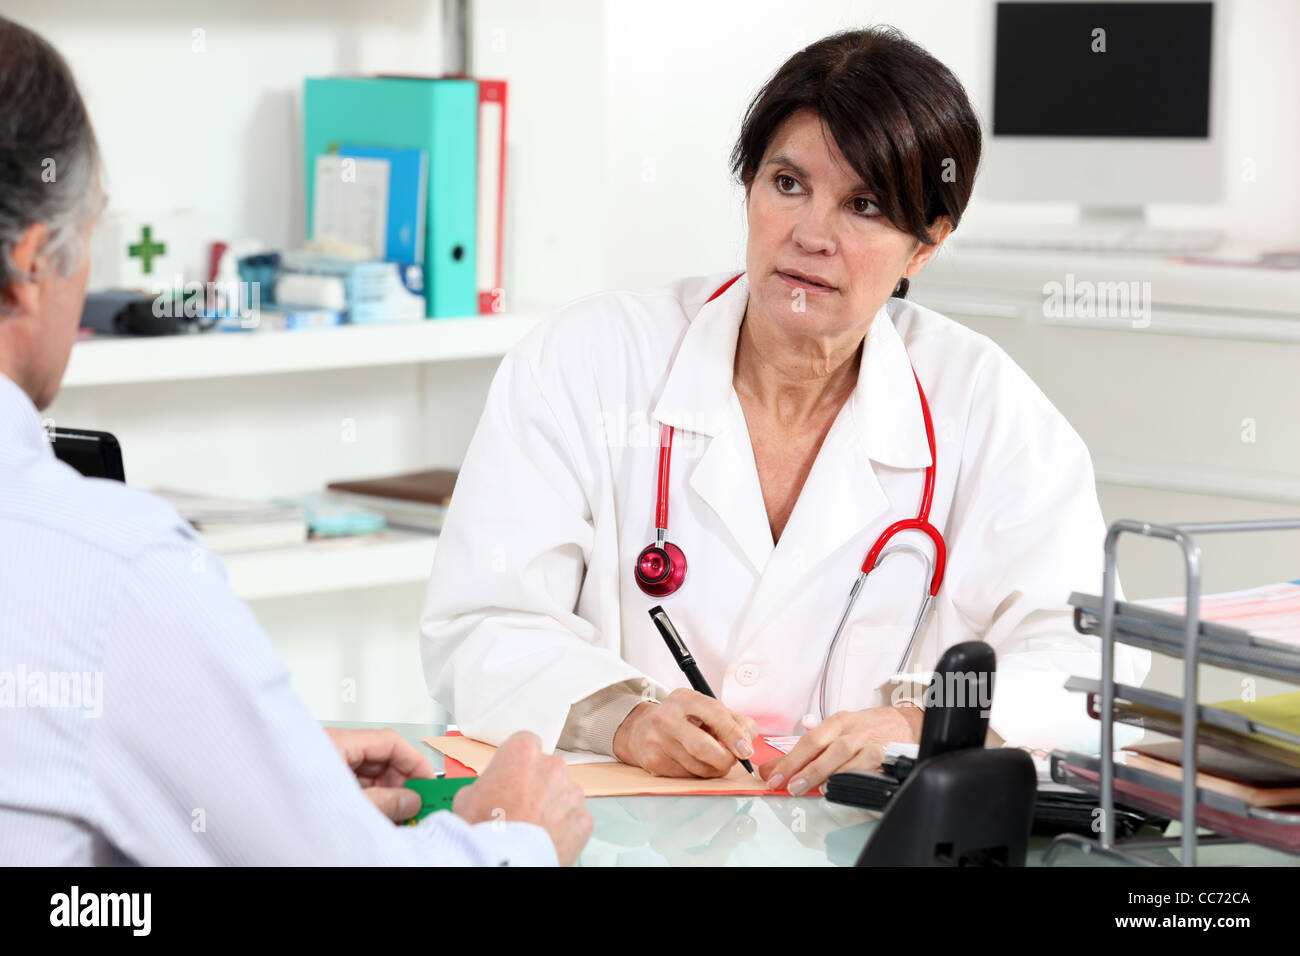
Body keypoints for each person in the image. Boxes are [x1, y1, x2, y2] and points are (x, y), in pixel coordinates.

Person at [421, 26, 1150, 795]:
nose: (809, 235)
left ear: (928, 242)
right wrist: (621, 717)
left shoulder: (988, 409)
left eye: (864, 205)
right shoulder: (587, 360)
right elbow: (482, 623)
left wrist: (918, 726)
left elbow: (1095, 666)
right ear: (749, 188)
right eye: (787, 183)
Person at [0, 14, 591, 866]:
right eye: (89, 233)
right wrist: (508, 838)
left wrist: (259, 772)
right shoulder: (109, 568)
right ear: (29, 265)